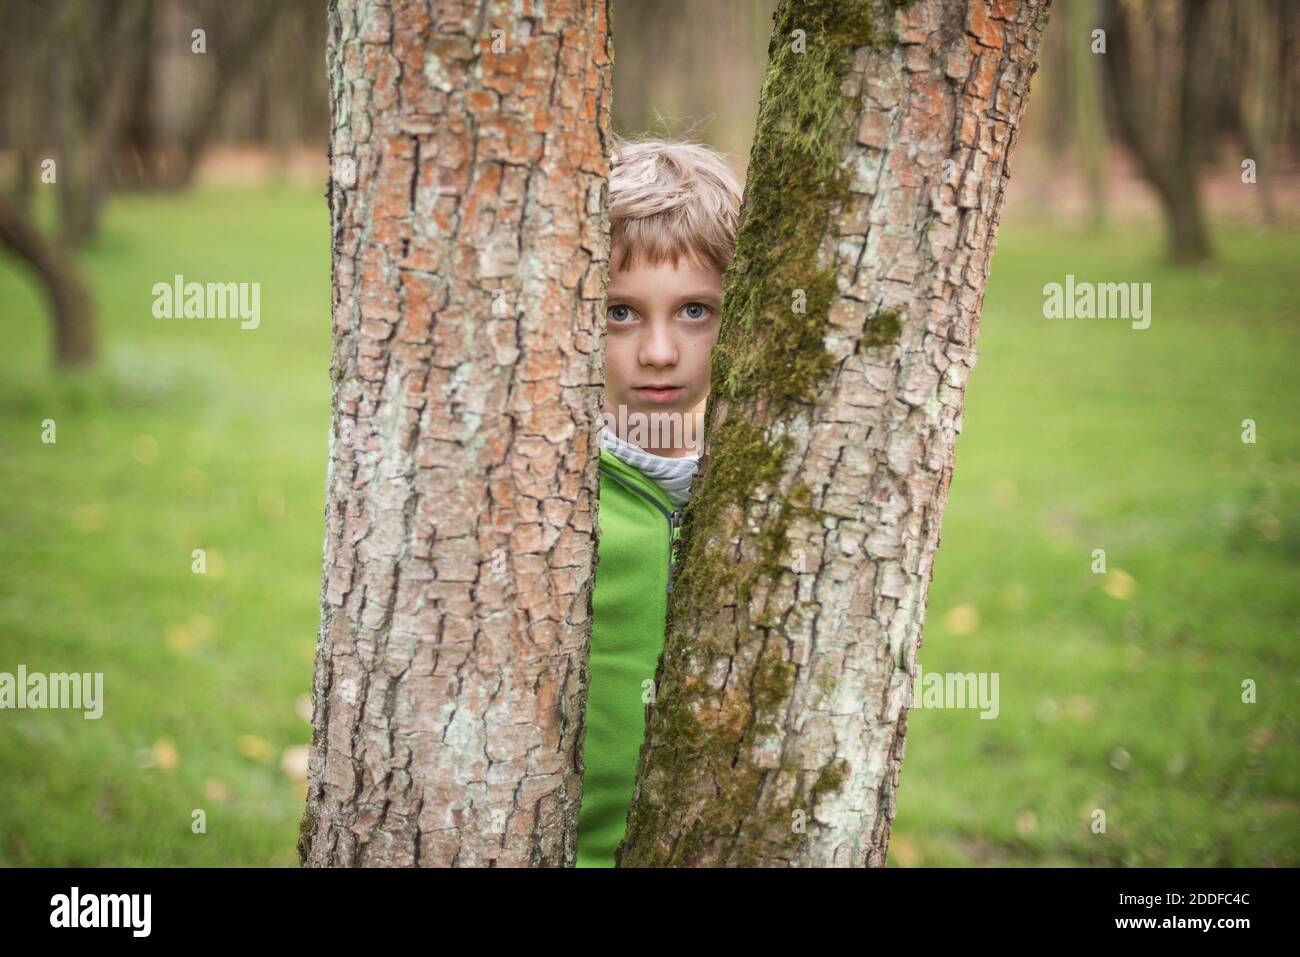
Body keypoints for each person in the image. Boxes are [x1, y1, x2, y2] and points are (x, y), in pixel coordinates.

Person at [575, 136, 743, 867]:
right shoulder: (560, 497)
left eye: (695, 311)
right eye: (620, 313)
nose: (659, 351)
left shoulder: (753, 482)